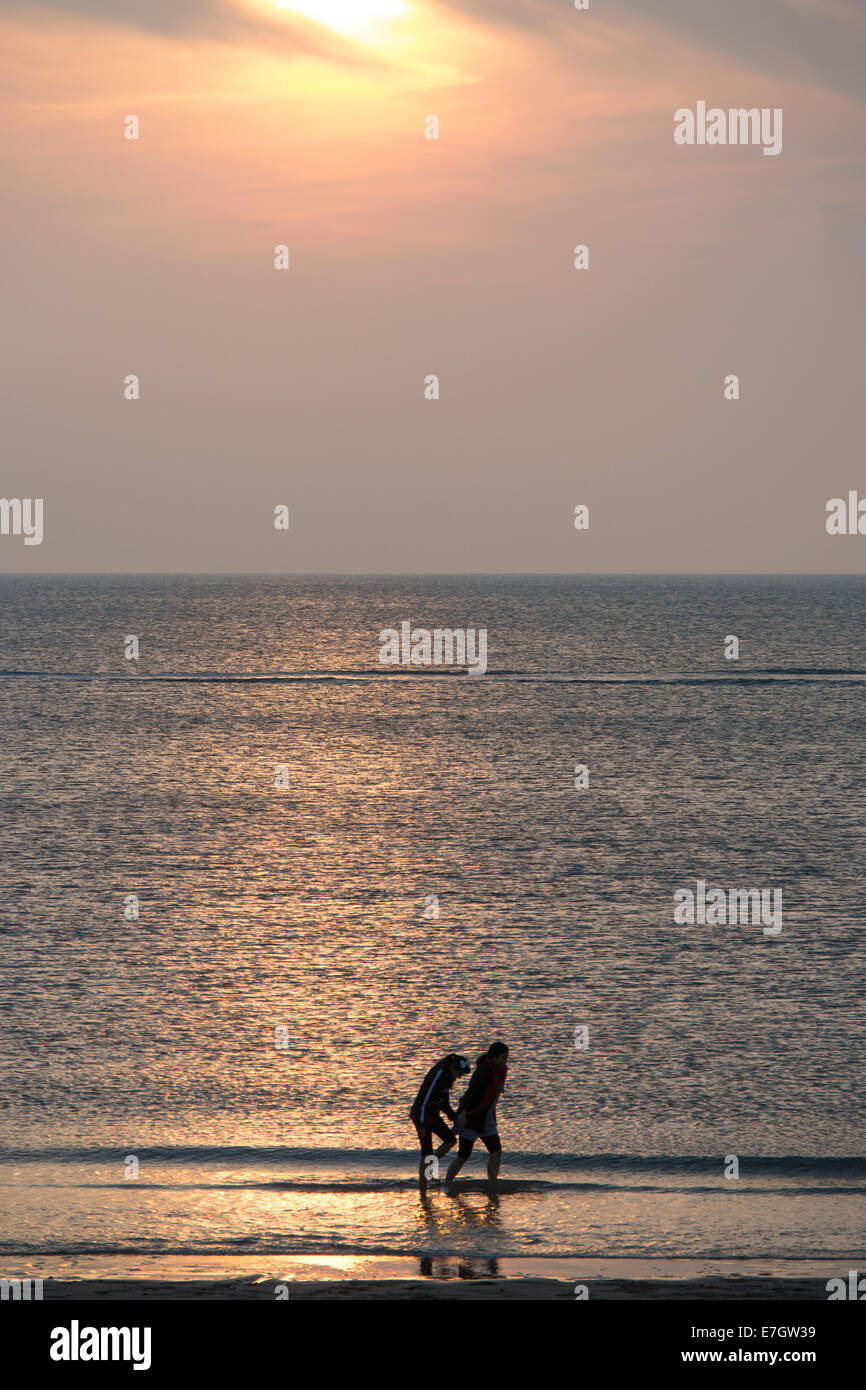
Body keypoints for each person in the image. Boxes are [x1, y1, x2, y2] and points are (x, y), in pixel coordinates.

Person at [445, 1042, 509, 1185]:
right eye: (503, 1058)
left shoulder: (500, 1071)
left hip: (487, 1119)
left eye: (507, 1058)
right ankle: (447, 1182)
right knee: (463, 1155)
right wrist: (462, 1114)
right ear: (494, 1057)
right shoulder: (484, 1071)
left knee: (496, 1151)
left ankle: (493, 1182)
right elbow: (471, 1093)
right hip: (472, 1119)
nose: (505, 1061)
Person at [410, 1053, 470, 1196]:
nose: (459, 1077)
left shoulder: (447, 1078)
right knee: (426, 1152)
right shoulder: (438, 1074)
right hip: (421, 1115)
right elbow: (424, 1099)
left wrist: (454, 1117)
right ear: (453, 1068)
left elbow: (444, 1103)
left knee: (450, 1140)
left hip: (433, 1115)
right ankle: (423, 1190)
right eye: (459, 1073)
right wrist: (422, 1124)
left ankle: (430, 1168)